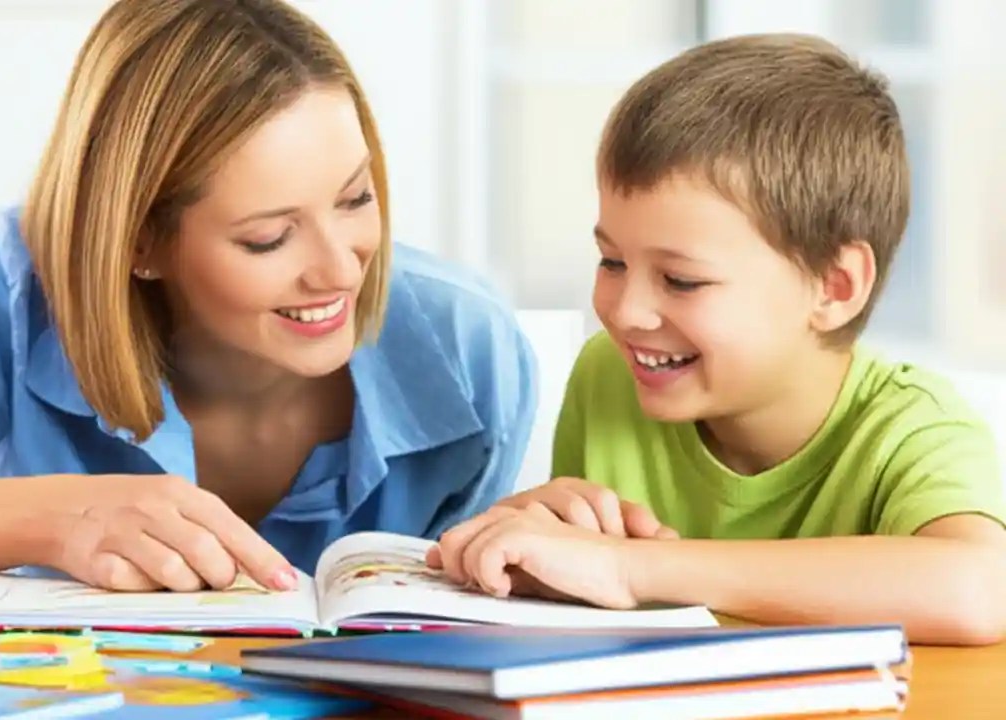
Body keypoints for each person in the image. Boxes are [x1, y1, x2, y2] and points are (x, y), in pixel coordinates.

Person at [0, 0, 537, 595]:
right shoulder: (11, 288)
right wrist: (53, 518)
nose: (338, 270)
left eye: (356, 198)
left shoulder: (470, 351)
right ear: (139, 241)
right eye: (268, 238)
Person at [427, 33, 1006, 645]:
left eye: (682, 280)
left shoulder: (914, 430)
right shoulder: (611, 376)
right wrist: (545, 551)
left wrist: (632, 569)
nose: (626, 312)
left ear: (834, 286)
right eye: (612, 262)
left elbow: (978, 589)